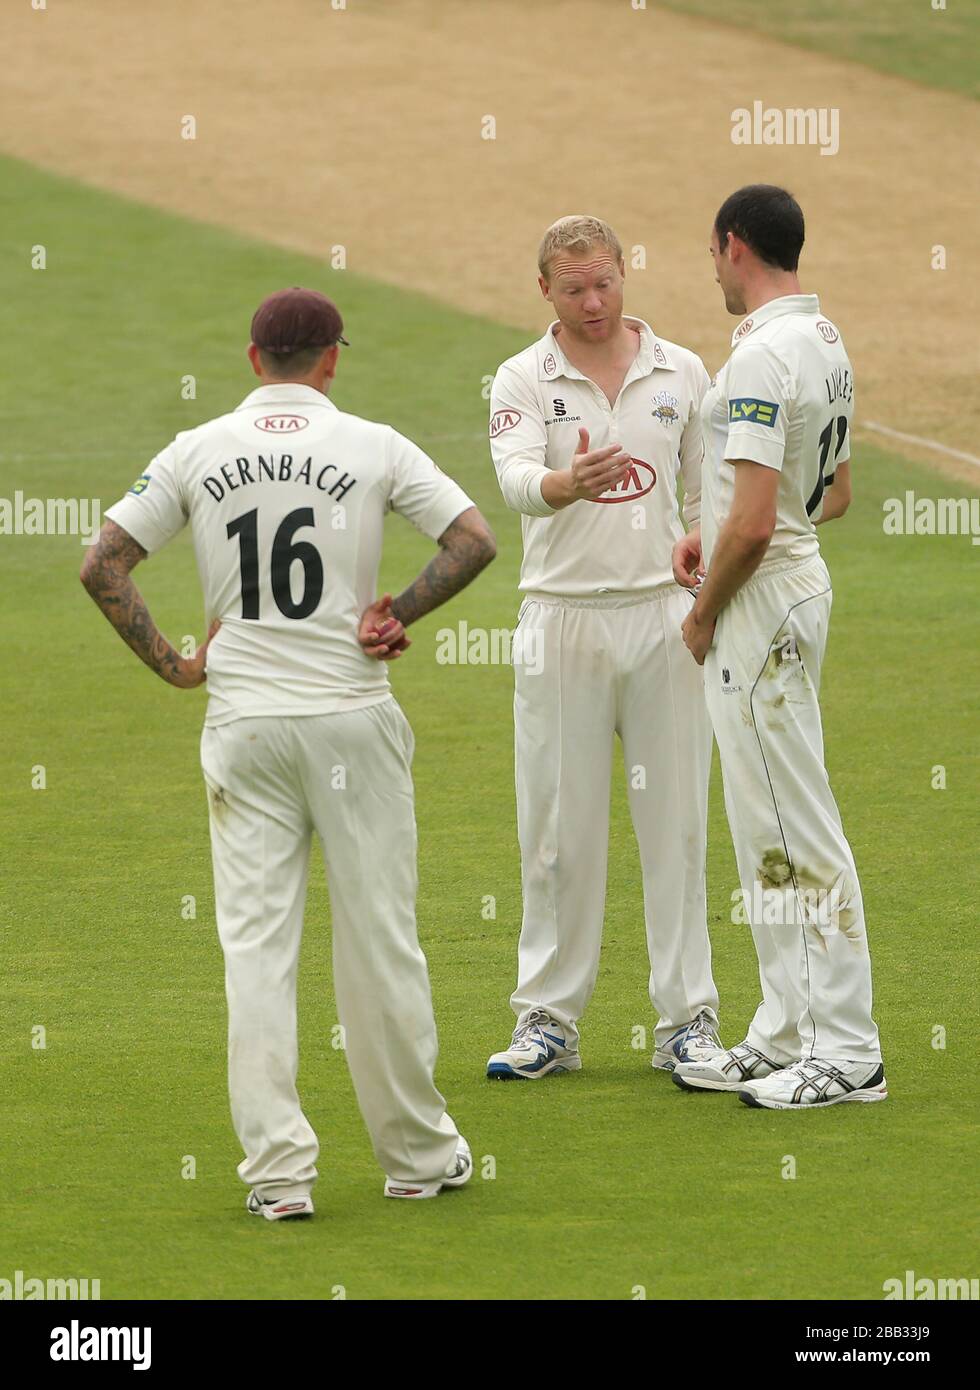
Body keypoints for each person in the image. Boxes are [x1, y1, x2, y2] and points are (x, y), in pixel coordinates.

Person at [81, 287, 497, 1215]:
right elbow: (474, 540)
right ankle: (420, 1158)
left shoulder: (197, 450)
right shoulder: (374, 444)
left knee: (257, 951)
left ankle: (277, 1178)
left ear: (251, 357)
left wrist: (178, 666)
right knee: (381, 939)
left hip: (245, 726)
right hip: (353, 716)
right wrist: (395, 611)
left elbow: (100, 563)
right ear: (332, 360)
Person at [485, 215, 721, 1081]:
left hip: (665, 619)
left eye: (606, 283)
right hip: (561, 622)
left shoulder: (683, 370)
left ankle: (689, 1021)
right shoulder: (521, 377)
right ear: (544, 289)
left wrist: (711, 600)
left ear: (626, 274)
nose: (594, 302)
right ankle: (547, 1019)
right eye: (574, 288)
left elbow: (706, 501)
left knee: (679, 826)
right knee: (555, 831)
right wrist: (563, 482)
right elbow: (514, 480)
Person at [671, 186, 886, 1109]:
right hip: (791, 588)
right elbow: (829, 494)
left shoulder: (762, 357)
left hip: (761, 603)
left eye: (713, 254)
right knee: (767, 823)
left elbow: (758, 525)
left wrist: (703, 610)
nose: (713, 268)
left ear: (733, 247)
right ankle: (785, 1029)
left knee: (797, 826)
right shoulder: (822, 340)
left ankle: (849, 1050)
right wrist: (723, 530)